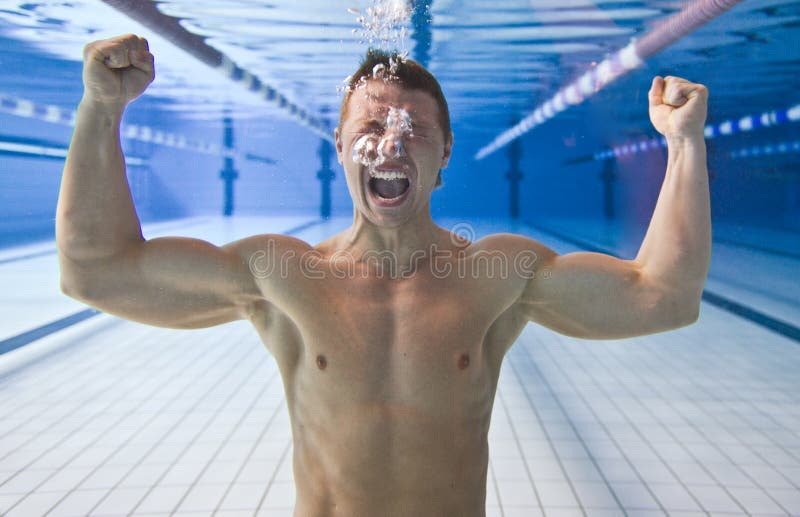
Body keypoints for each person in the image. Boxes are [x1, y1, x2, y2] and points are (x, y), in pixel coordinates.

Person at [56, 34, 711, 516]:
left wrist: (684, 144)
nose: (390, 144)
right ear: (339, 145)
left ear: (445, 153)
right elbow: (97, 270)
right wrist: (100, 109)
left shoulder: (497, 274)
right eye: (370, 125)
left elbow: (664, 297)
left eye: (413, 129)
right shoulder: (281, 275)